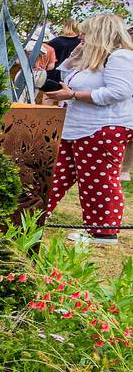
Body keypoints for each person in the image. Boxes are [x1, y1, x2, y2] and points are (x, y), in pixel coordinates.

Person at [43, 14, 133, 245]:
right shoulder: (94, 58)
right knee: (53, 175)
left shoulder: (120, 57)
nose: (80, 36)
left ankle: (103, 232)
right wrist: (74, 58)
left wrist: (72, 95)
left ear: (99, 33)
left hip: (101, 129)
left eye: (85, 32)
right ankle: (33, 216)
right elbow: (66, 79)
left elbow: (118, 93)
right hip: (77, 129)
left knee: (98, 181)